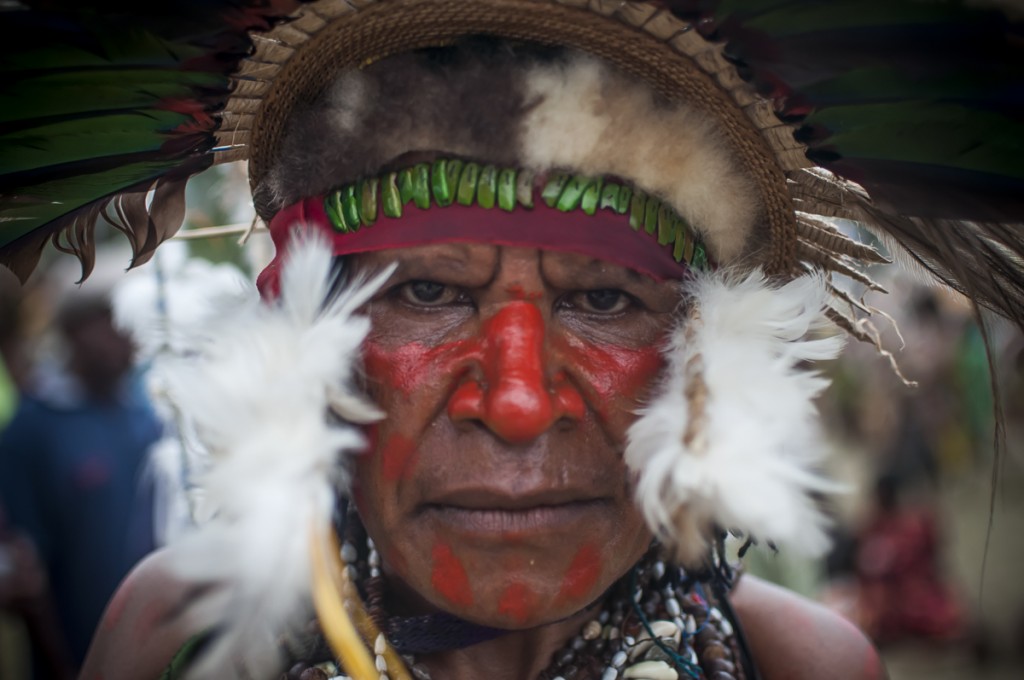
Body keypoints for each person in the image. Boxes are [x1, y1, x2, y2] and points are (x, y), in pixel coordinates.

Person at [1, 2, 1021, 679]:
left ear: (702, 362)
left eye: (606, 301)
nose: (520, 399)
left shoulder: (802, 663)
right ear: (306, 339)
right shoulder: (174, 635)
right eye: (432, 290)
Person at [0, 291, 161, 670]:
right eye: (111, 329)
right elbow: (28, 575)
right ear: (75, 335)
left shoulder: (141, 416)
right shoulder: (31, 431)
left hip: (152, 655)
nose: (126, 342)